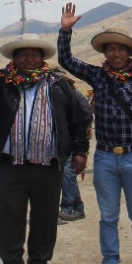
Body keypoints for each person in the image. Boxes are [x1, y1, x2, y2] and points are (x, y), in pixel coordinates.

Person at [0, 26, 89, 264]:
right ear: (14, 58)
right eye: (23, 55)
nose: (29, 59)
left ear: (42, 58)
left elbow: (78, 119)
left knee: (45, 218)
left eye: (34, 54)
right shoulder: (2, 83)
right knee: (10, 218)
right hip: (13, 165)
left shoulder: (59, 86)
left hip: (48, 165)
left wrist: (80, 151)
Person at [57, 3, 132, 264]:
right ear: (105, 53)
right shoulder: (97, 76)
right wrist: (65, 31)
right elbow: (67, 61)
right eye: (111, 49)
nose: (116, 53)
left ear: (129, 52)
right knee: (108, 216)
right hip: (105, 158)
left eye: (121, 48)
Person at [59, 87, 92, 223]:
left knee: (67, 171)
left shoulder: (72, 92)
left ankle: (68, 208)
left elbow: (88, 114)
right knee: (66, 172)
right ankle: (78, 207)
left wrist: (81, 132)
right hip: (57, 139)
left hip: (71, 138)